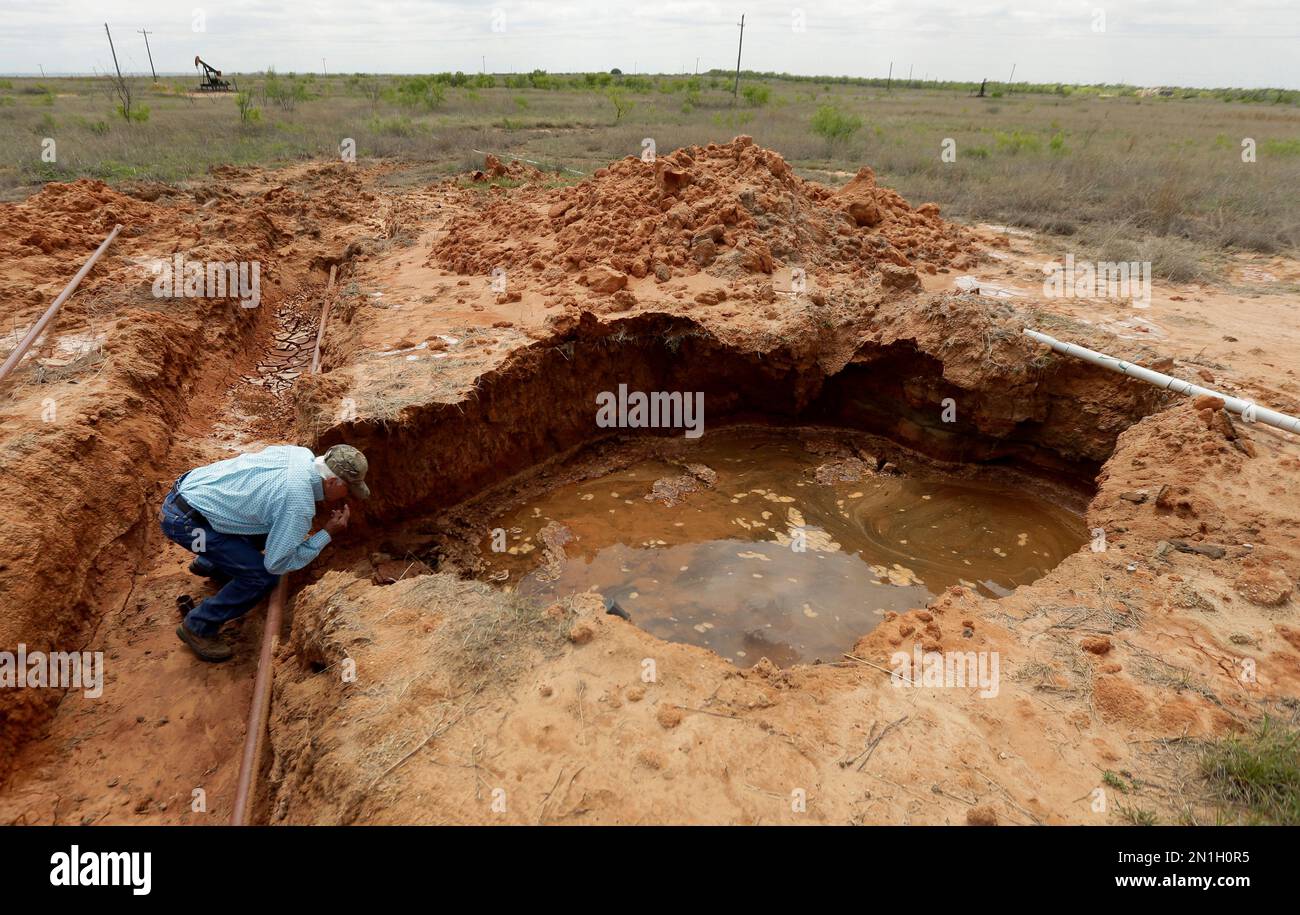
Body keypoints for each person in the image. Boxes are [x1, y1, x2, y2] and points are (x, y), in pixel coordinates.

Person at [159, 443, 370, 661]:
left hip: (191, 494)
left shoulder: (300, 454)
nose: (349, 495)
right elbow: (277, 563)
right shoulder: (298, 502)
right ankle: (198, 626)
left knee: (273, 527)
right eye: (349, 488)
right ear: (332, 481)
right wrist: (327, 532)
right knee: (261, 577)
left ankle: (210, 562)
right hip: (185, 525)